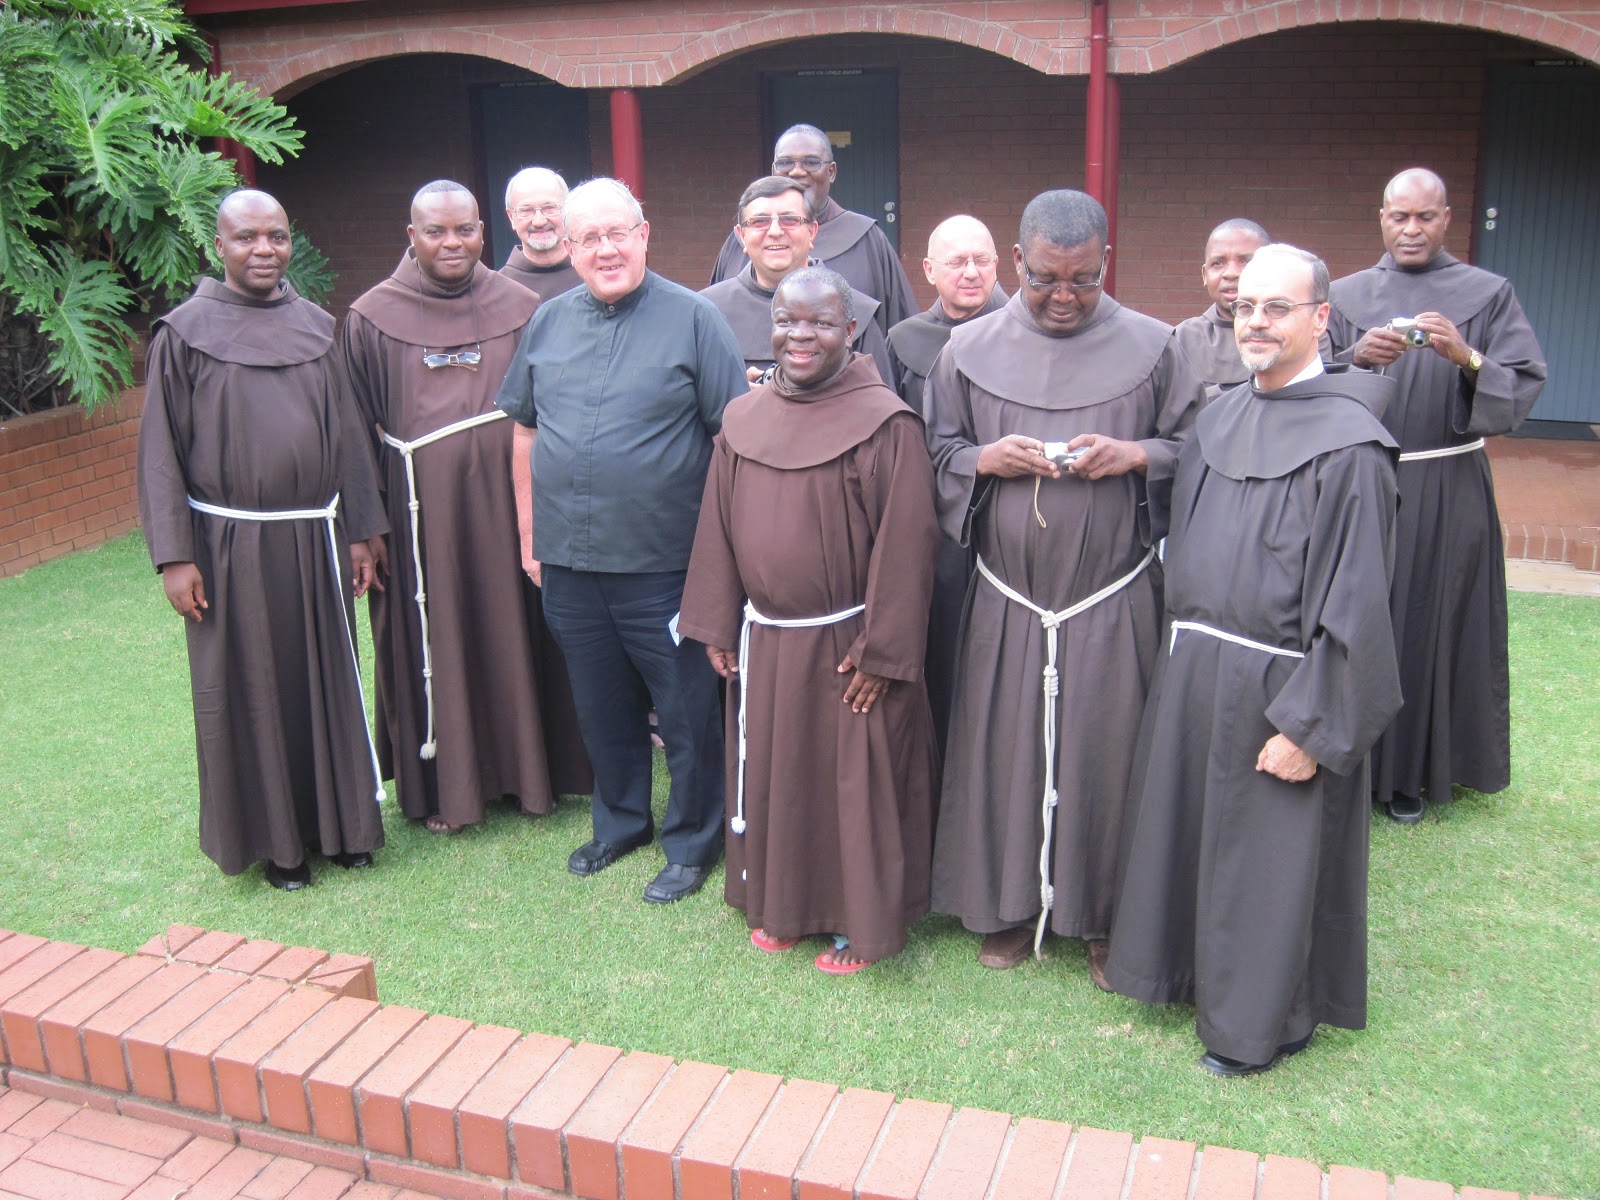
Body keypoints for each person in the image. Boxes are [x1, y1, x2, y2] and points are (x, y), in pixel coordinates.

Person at [1104, 245, 1402, 1076]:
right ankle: (1182, 972)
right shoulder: (1220, 415)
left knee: (1265, 860)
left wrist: (1313, 724)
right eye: (1246, 308)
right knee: (1191, 832)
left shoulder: (1352, 445)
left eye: (1278, 307)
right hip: (1197, 664)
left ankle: (1265, 1022)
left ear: (1321, 320)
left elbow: (1361, 606)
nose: (1258, 322)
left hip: (1282, 684)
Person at [925, 189, 1204, 975]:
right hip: (1007, 601)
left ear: (1105, 262)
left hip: (1112, 599)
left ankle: (1102, 912)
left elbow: (1199, 447)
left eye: (1082, 279)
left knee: (1109, 755)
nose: (1063, 297)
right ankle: (1006, 904)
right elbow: (934, 450)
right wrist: (984, 459)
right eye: (1046, 278)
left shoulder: (1157, 346)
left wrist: (1139, 455)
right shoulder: (966, 350)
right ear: (1018, 263)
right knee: (1001, 752)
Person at [679, 267, 941, 973]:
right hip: (766, 636)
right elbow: (719, 525)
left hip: (846, 646)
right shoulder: (744, 418)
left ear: (850, 331)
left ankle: (858, 923)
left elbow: (909, 542)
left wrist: (882, 652)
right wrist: (715, 621)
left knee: (849, 785)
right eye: (788, 322)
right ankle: (785, 906)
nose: (800, 336)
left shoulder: (885, 422)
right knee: (781, 775)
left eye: (819, 323)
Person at [495, 177, 748, 904]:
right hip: (569, 565)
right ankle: (621, 822)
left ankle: (693, 841)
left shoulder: (696, 320)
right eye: (589, 238)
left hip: (667, 567)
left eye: (618, 233)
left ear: (644, 233)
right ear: (568, 249)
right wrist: (529, 534)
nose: (606, 249)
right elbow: (525, 430)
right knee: (600, 703)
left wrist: (724, 566)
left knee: (687, 711)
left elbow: (731, 442)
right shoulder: (547, 322)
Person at [137, 189, 387, 889]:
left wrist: (362, 532)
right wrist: (174, 555)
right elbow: (160, 453)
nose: (264, 250)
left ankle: (344, 829)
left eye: (276, 237)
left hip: (313, 537)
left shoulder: (314, 325)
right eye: (246, 238)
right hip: (228, 547)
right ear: (218, 245)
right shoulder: (182, 334)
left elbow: (347, 439)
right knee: (252, 688)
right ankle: (281, 846)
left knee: (328, 680)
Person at [343, 180, 591, 836]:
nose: (452, 243)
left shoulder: (522, 305)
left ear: (485, 233)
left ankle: (531, 776)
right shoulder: (371, 318)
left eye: (465, 230)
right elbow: (350, 431)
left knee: (522, 630)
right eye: (436, 231)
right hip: (424, 522)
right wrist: (367, 527)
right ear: (412, 237)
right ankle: (447, 787)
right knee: (440, 639)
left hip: (516, 511)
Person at [1326, 168, 1546, 823]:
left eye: (1425, 217)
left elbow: (1522, 383)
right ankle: (1347, 759)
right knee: (1358, 621)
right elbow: (1308, 382)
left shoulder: (1487, 293)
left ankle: (1409, 778)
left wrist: (1465, 355)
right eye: (1400, 216)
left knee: (1428, 624)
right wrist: (1356, 358)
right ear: (1382, 218)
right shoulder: (1344, 295)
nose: (1412, 229)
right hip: (1365, 482)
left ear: (1447, 218)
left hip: (1450, 486)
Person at [885, 215, 1006, 747]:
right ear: (929, 270)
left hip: (1009, 519)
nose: (972, 272)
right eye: (957, 262)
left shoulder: (1028, 334)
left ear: (1000, 265)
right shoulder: (902, 341)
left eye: (982, 260)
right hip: (932, 527)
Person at [707, 124, 916, 334]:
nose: (797, 171)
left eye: (811, 162)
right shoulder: (744, 240)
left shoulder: (868, 239)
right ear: (773, 171)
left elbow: (897, 332)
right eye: (785, 162)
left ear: (831, 172)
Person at [700, 176, 894, 384]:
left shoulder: (854, 310)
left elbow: (878, 406)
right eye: (759, 221)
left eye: (790, 220)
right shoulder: (707, 311)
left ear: (812, 231)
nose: (775, 232)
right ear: (741, 236)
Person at [1176, 219, 1334, 401]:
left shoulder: (1305, 330)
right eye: (1218, 263)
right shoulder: (1183, 337)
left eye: (1244, 261)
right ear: (1204, 274)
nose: (1230, 273)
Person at [500, 167, 583, 300]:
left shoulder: (592, 274)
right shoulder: (498, 289)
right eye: (527, 210)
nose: (539, 221)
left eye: (549, 208)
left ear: (568, 210)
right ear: (511, 217)